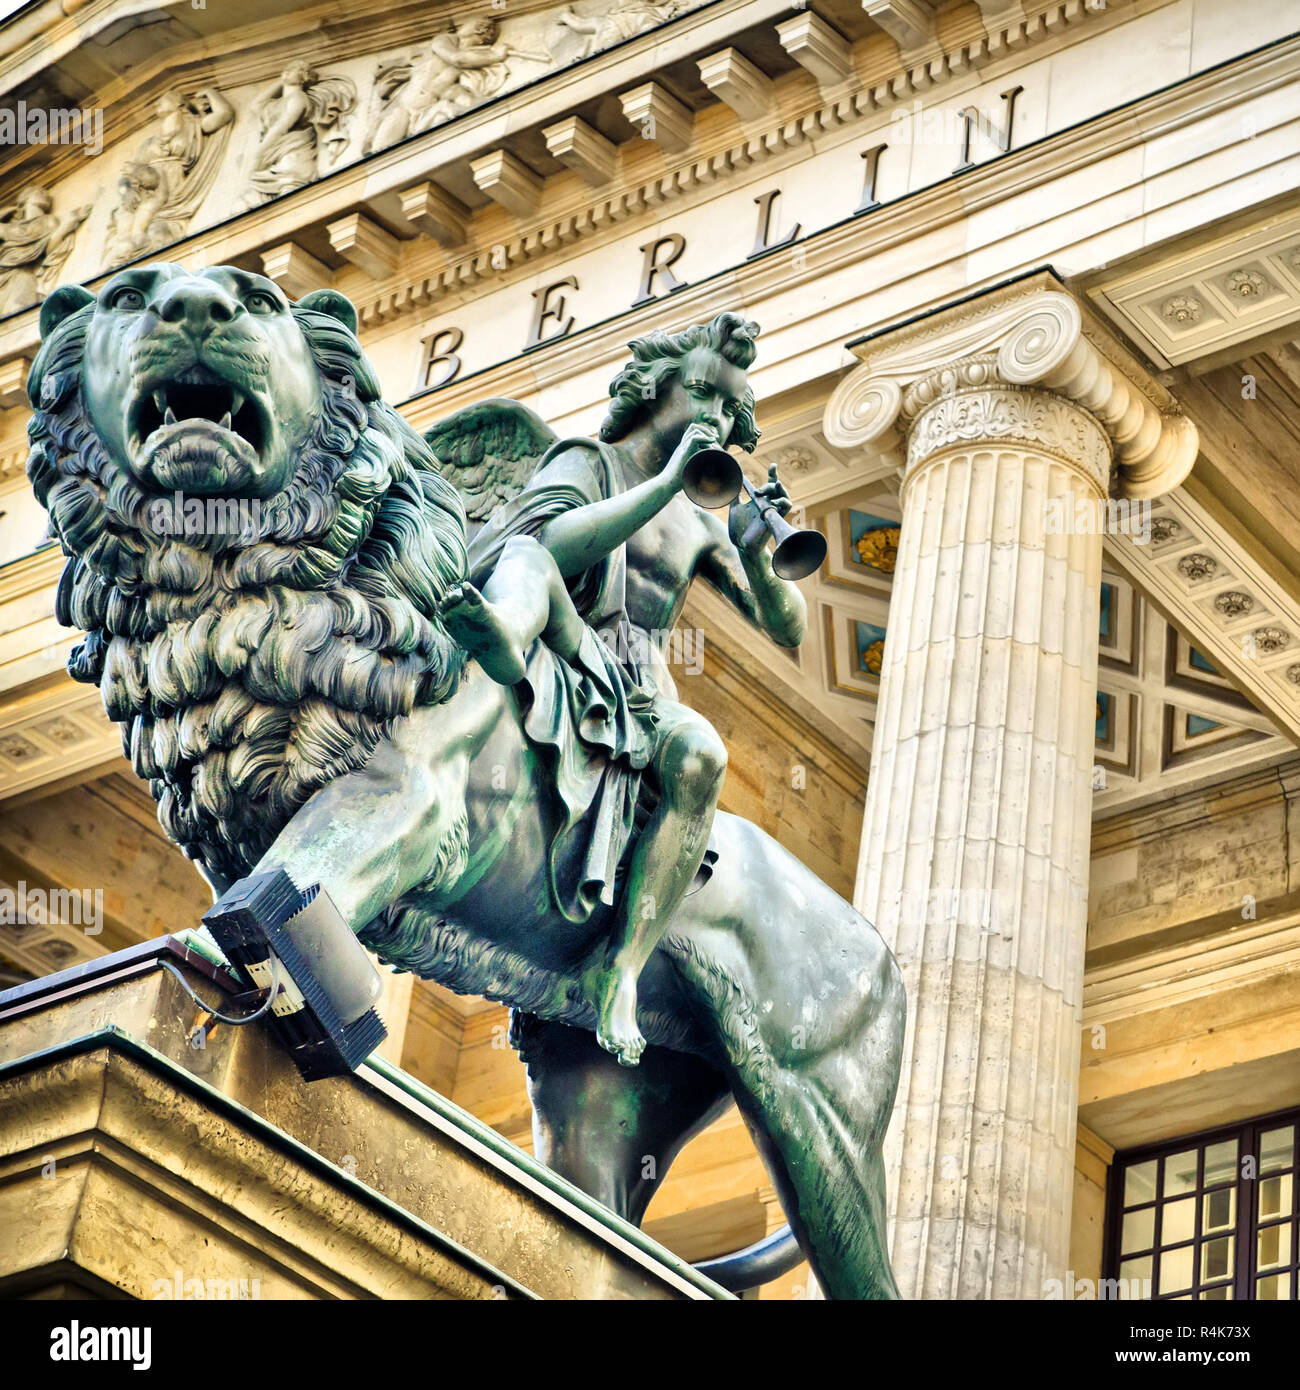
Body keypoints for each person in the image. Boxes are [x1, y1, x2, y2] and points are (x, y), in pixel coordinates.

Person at [440, 313, 806, 1065]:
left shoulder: (701, 522)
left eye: (726, 406)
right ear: (655, 389)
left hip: (635, 690)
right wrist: (669, 482)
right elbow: (550, 542)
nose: (713, 414)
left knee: (700, 753)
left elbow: (789, 627)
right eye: (701, 392)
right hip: (559, 631)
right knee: (528, 568)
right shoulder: (586, 460)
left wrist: (760, 557)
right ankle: (500, 636)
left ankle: (623, 968)